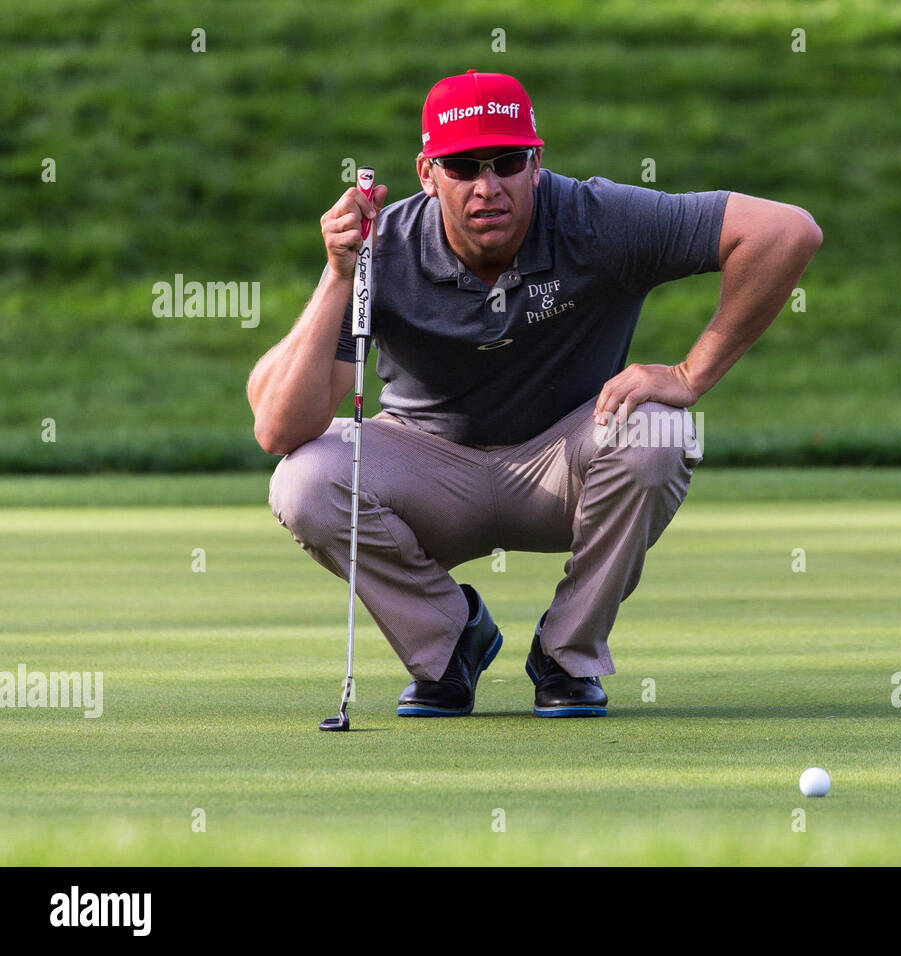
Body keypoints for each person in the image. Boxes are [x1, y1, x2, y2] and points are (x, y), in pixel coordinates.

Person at [246, 70, 821, 718]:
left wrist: (689, 375)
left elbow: (786, 232)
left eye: (507, 162)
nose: (487, 187)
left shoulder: (595, 218)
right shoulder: (384, 246)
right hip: (428, 466)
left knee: (660, 431)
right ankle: (447, 644)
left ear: (536, 164)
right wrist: (337, 276)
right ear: (427, 172)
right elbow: (278, 428)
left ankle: (566, 656)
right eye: (463, 167)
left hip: (565, 461)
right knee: (303, 481)